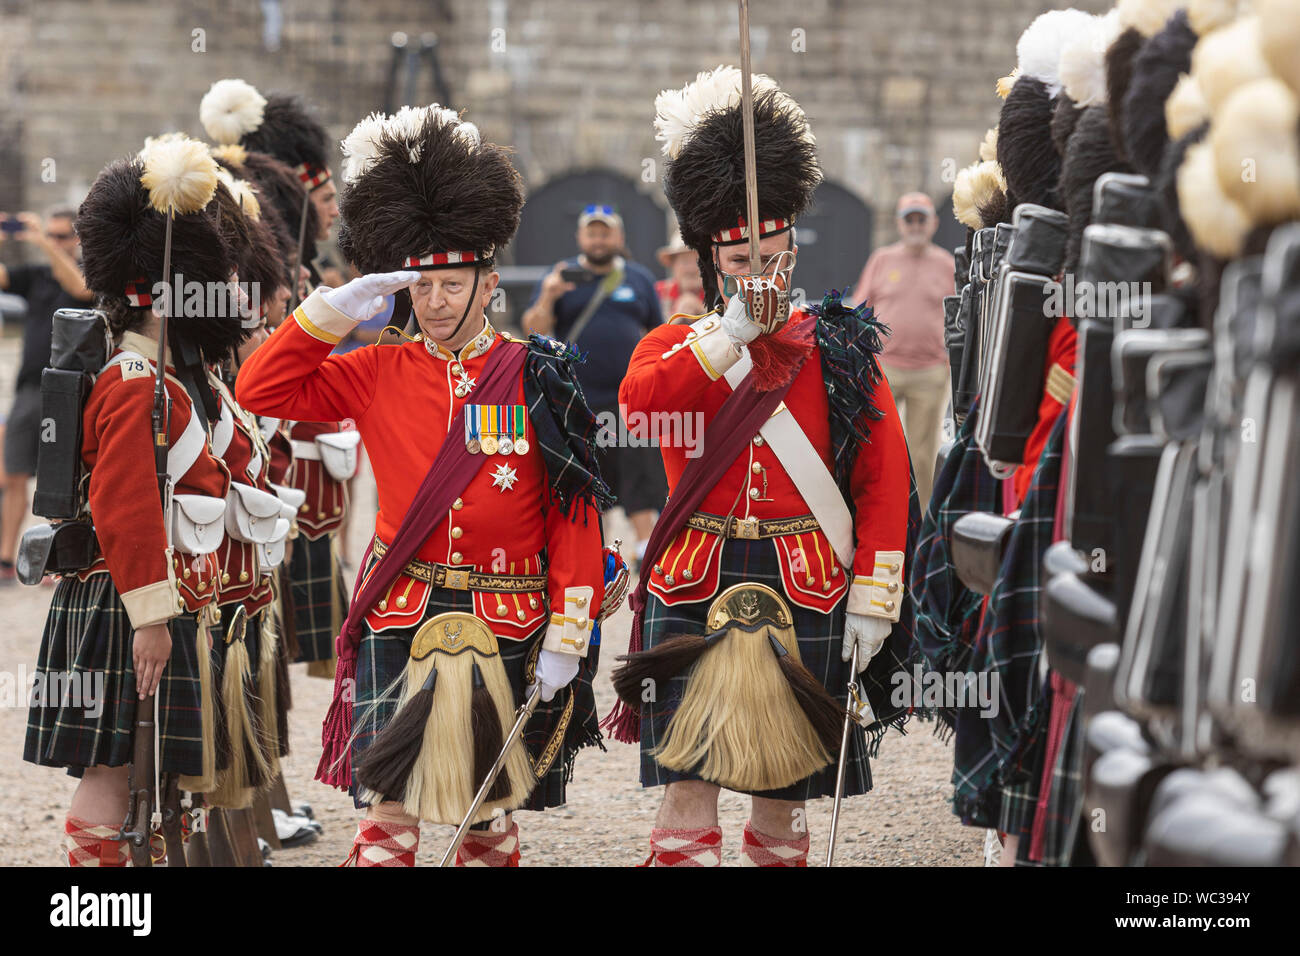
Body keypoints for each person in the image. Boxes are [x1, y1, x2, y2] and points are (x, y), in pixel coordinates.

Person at [237, 103, 613, 867]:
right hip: (403, 605)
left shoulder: (538, 374)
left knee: (485, 817)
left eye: (452, 284)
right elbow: (258, 390)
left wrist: (570, 631)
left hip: (507, 611)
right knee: (386, 817)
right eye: (423, 286)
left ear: (489, 283)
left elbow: (573, 510)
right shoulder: (376, 368)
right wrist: (327, 313)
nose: (436, 302)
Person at [609, 66, 918, 867]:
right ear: (714, 262)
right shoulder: (675, 343)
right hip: (696, 572)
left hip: (807, 574)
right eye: (745, 258)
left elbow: (885, 477)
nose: (764, 274)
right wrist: (727, 337)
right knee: (687, 788)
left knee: (783, 804)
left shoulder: (841, 347)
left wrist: (877, 595)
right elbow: (641, 408)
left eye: (775, 255)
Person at [23, 138, 243, 866]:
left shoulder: (157, 380)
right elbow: (126, 508)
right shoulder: (135, 384)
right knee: (113, 776)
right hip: (132, 606)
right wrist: (151, 619)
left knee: (156, 788)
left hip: (147, 601)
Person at [202, 79, 353, 679]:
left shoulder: (301, 269)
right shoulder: (255, 279)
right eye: (327, 193)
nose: (335, 206)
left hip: (291, 475)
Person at [520, 205, 665, 566]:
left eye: (606, 232)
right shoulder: (560, 276)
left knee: (640, 474)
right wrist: (549, 295)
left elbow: (658, 332)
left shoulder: (638, 278)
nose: (599, 239)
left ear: (619, 237)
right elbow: (533, 330)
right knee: (588, 478)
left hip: (630, 399)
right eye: (592, 232)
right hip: (579, 401)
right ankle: (594, 554)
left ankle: (646, 550)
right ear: (581, 238)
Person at [0, 206, 94, 581]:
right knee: (14, 473)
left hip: (69, 390)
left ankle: (61, 559)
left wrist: (42, 243)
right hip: (28, 387)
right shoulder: (36, 275)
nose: (55, 241)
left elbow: (80, 289)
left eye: (62, 236)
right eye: (51, 235)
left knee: (63, 476)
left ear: (77, 240)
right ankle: (7, 559)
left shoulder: (89, 273)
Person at [850, 192, 954, 504]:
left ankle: (920, 529)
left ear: (933, 223)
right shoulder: (882, 259)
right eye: (910, 219)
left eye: (922, 219)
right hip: (885, 368)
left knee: (924, 455)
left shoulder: (946, 264)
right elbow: (860, 308)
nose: (916, 225)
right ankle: (875, 511)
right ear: (899, 223)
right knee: (875, 447)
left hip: (930, 372)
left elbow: (961, 316)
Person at [655, 230, 706, 322]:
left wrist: (702, 311)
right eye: (685, 262)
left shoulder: (721, 293)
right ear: (673, 265)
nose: (691, 269)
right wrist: (675, 319)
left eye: (697, 261)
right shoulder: (657, 293)